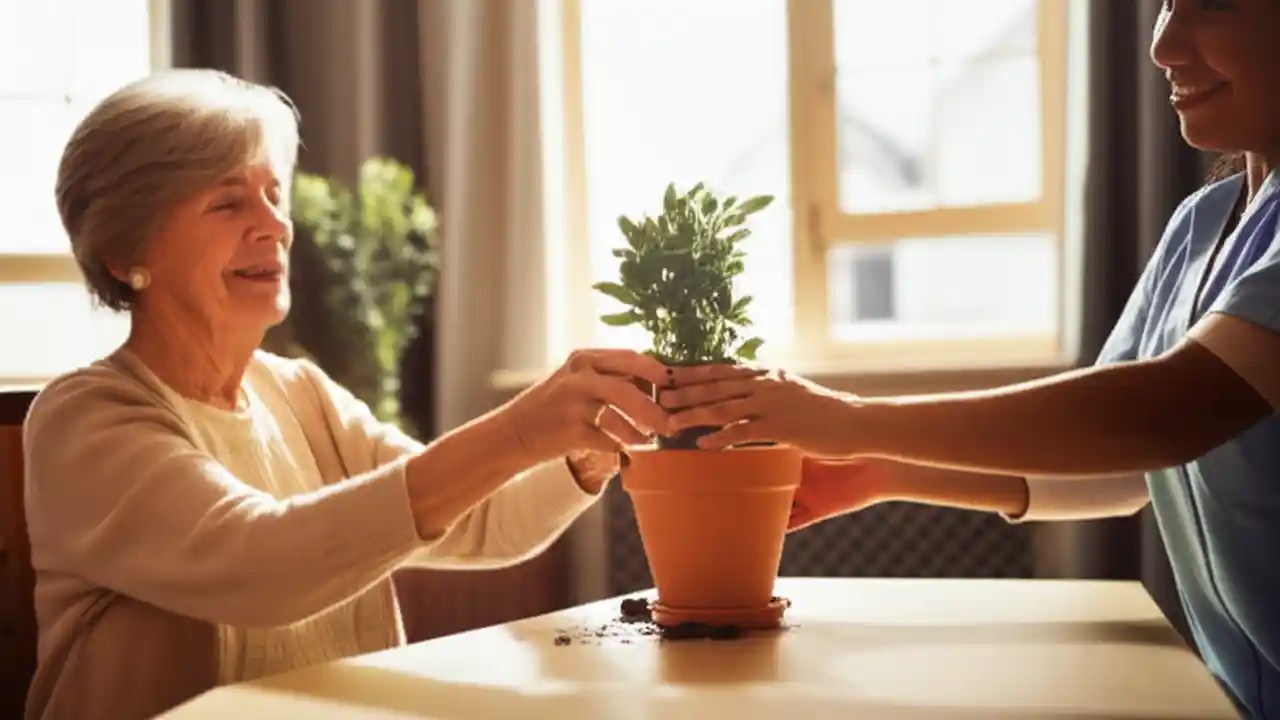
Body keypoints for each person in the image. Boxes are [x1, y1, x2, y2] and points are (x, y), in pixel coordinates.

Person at [660, 1, 1280, 717]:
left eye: (1213, 4)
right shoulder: (1199, 224)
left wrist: (854, 419)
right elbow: (1124, 466)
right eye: (1166, 4)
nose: (1164, 46)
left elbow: (1169, 413)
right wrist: (881, 469)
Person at [22, 68, 670, 720]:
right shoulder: (85, 420)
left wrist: (580, 454)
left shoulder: (300, 394)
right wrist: (519, 431)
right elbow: (262, 566)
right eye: (227, 203)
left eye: (274, 196)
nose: (274, 226)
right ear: (123, 251)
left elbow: (482, 522)